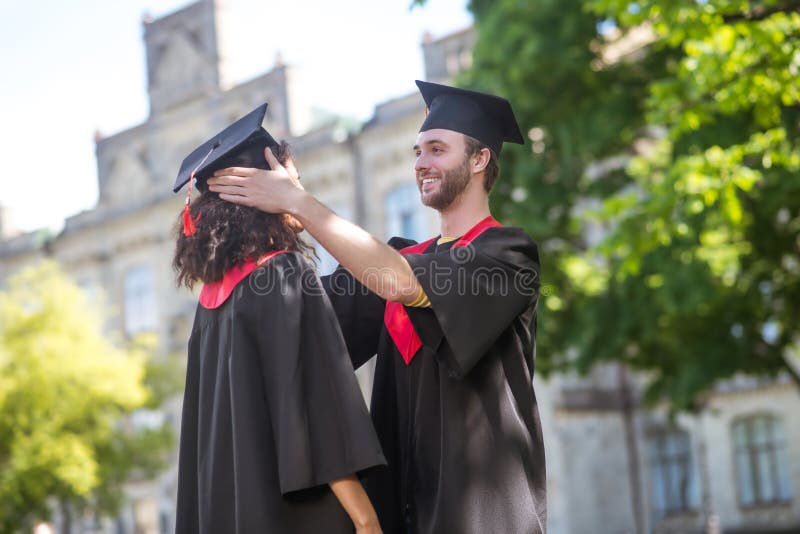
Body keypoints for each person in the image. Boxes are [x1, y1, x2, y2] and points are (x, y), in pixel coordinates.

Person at [208, 81, 546, 534]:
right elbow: (298, 316)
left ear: (480, 159)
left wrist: (298, 201)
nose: (421, 163)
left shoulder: (507, 255)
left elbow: (402, 284)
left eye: (437, 149)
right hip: (397, 512)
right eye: (417, 151)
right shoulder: (401, 256)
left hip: (484, 514)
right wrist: (254, 220)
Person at [172, 107, 386, 534]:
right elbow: (318, 407)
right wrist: (365, 519)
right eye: (293, 180)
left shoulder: (211, 304)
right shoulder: (283, 274)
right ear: (266, 189)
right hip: (296, 514)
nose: (299, 190)